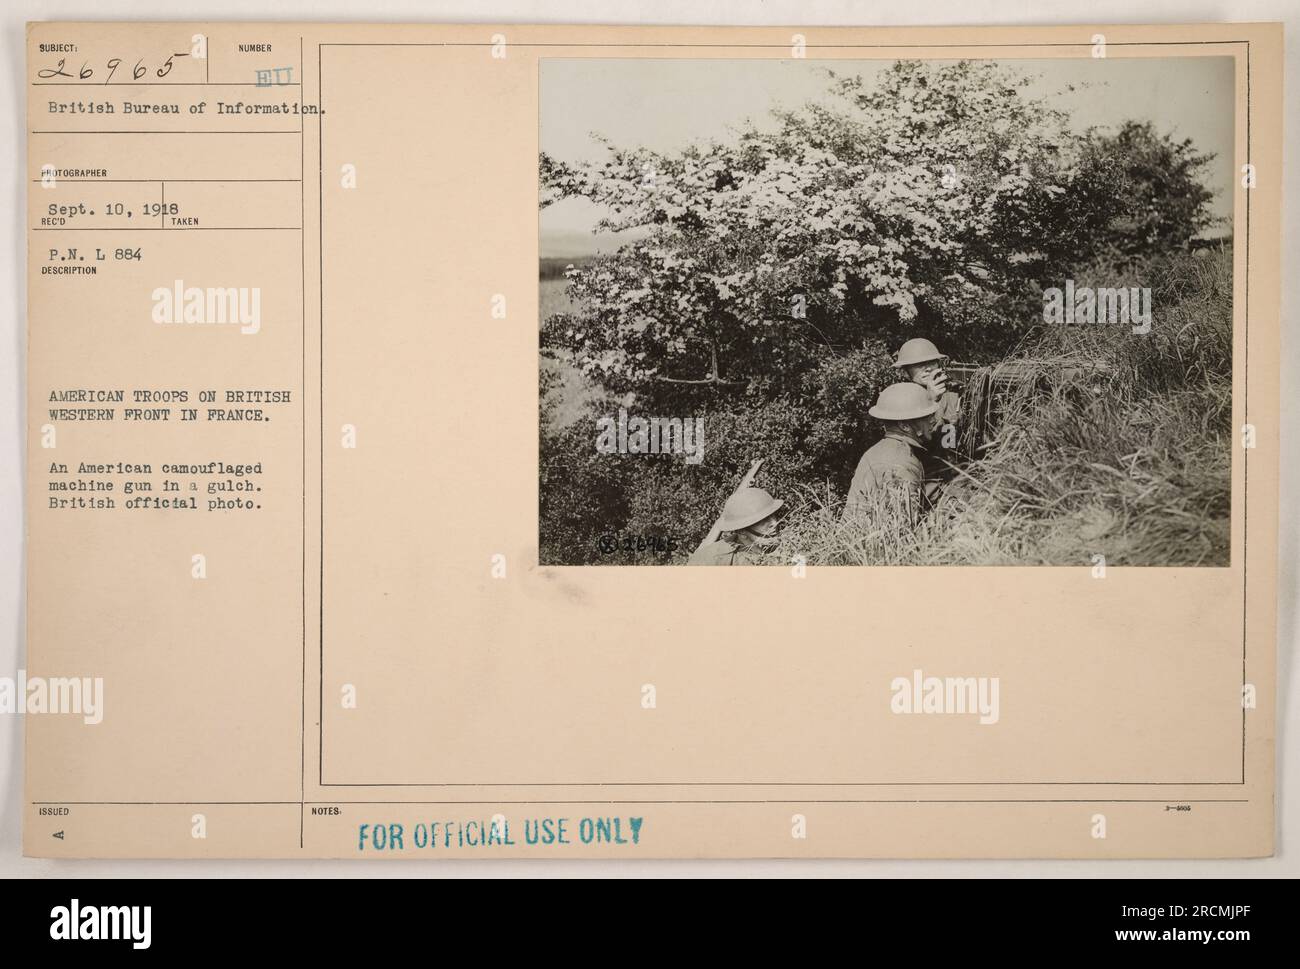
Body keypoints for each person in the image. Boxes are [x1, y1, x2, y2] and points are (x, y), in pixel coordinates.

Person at [843, 382, 937, 521]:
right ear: (904, 425)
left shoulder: (880, 450)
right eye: (926, 417)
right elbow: (902, 527)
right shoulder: (903, 462)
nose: (933, 420)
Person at [894, 337, 961, 502]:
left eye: (932, 362)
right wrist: (930, 401)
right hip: (916, 476)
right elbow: (915, 443)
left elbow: (949, 443)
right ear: (905, 371)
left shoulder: (949, 396)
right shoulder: (898, 397)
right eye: (918, 365)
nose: (927, 368)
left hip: (946, 477)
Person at [687, 487, 783, 565]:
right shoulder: (714, 560)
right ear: (741, 531)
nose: (775, 523)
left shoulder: (785, 544)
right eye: (763, 521)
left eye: (773, 515)